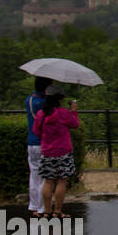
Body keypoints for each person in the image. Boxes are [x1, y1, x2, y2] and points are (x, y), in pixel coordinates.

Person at [32, 85, 78, 218]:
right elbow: (75, 124)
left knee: (48, 181)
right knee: (61, 181)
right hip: (63, 151)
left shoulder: (41, 114)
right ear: (59, 99)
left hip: (47, 152)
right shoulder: (63, 113)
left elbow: (36, 131)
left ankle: (46, 211)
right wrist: (73, 111)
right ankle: (58, 211)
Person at [24, 76, 51, 215]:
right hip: (43, 143)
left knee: (34, 176)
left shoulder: (29, 100)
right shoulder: (44, 103)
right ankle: (42, 208)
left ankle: (33, 206)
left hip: (31, 142)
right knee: (44, 178)